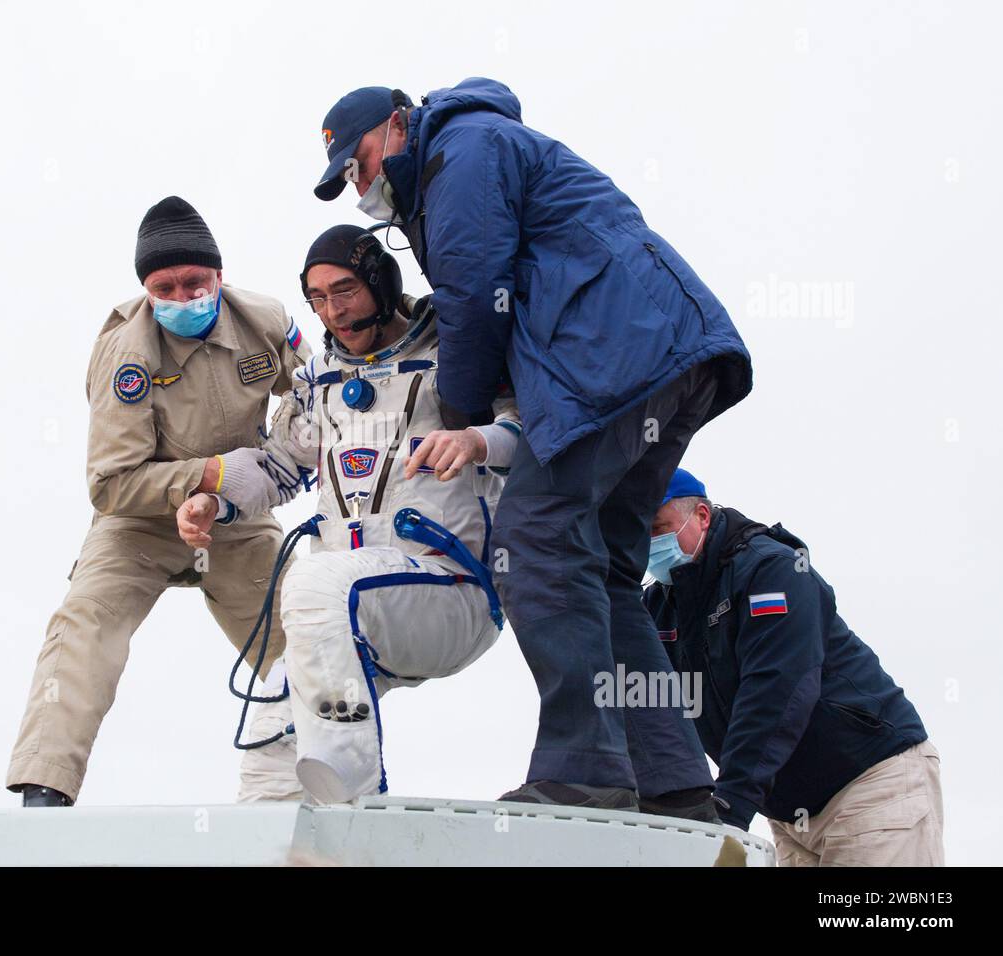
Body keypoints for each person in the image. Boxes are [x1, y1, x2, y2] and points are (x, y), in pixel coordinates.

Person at [311, 79, 753, 817]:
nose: (361, 186)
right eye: (347, 181)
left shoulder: (460, 152)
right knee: (607, 569)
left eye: (358, 164)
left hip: (619, 357)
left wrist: (462, 414)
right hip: (661, 356)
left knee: (536, 537)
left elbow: (475, 290)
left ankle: (583, 767)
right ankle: (673, 783)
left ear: (396, 125)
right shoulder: (461, 160)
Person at [176, 225, 520, 803]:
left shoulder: (452, 354)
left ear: (381, 284)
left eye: (345, 292)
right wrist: (214, 497)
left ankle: (351, 781)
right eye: (317, 299)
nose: (332, 312)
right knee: (269, 736)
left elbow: (527, 428)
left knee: (311, 586)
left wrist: (477, 442)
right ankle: (293, 849)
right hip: (349, 615)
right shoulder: (317, 381)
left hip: (448, 588)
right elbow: (281, 463)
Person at [5, 196, 310, 806]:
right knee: (84, 624)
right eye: (164, 287)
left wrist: (267, 469)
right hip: (138, 522)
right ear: (146, 289)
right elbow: (109, 483)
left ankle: (334, 785)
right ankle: (43, 793)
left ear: (219, 275)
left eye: (195, 281)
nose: (182, 296)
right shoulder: (126, 354)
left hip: (236, 520)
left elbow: (319, 390)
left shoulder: (267, 320)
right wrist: (208, 477)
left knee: (308, 632)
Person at [644, 468, 943, 865]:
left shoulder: (771, 570)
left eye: (659, 529)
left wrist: (729, 809)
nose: (650, 545)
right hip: (787, 815)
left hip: (872, 786)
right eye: (641, 534)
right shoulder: (661, 606)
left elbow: (776, 691)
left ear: (701, 515)